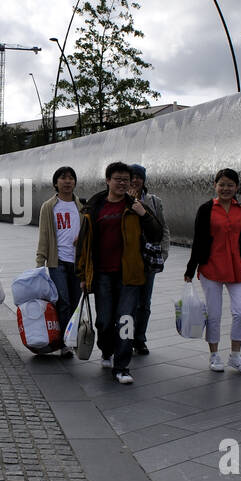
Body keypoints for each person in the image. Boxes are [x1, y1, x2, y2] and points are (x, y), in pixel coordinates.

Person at [78, 162, 160, 385]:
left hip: (129, 275)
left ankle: (122, 366)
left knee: (126, 320)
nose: (123, 183)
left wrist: (144, 214)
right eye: (118, 179)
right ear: (108, 181)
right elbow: (83, 245)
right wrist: (83, 276)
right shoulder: (94, 208)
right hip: (103, 274)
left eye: (126, 179)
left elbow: (156, 234)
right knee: (104, 321)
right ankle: (106, 350)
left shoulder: (136, 206)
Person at [184, 168, 241, 375]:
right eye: (222, 184)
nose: (225, 188)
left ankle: (235, 355)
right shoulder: (206, 209)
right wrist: (191, 269)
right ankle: (214, 354)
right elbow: (198, 240)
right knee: (214, 314)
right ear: (215, 185)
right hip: (212, 267)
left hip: (235, 267)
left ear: (236, 187)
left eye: (230, 185)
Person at [35, 166, 86, 358]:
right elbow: (44, 236)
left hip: (78, 263)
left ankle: (70, 338)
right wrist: (40, 262)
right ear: (56, 182)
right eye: (63, 178)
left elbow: (89, 231)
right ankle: (65, 343)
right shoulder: (49, 206)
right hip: (58, 262)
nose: (67, 181)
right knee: (63, 301)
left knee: (74, 302)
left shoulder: (81, 206)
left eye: (71, 178)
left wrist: (82, 239)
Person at [128, 164, 168, 356]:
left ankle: (140, 339)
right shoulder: (120, 199)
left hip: (148, 257)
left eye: (139, 177)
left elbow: (163, 227)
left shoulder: (154, 201)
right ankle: (125, 339)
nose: (135, 180)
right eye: (132, 177)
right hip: (128, 259)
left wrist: (164, 253)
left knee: (145, 302)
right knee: (128, 302)